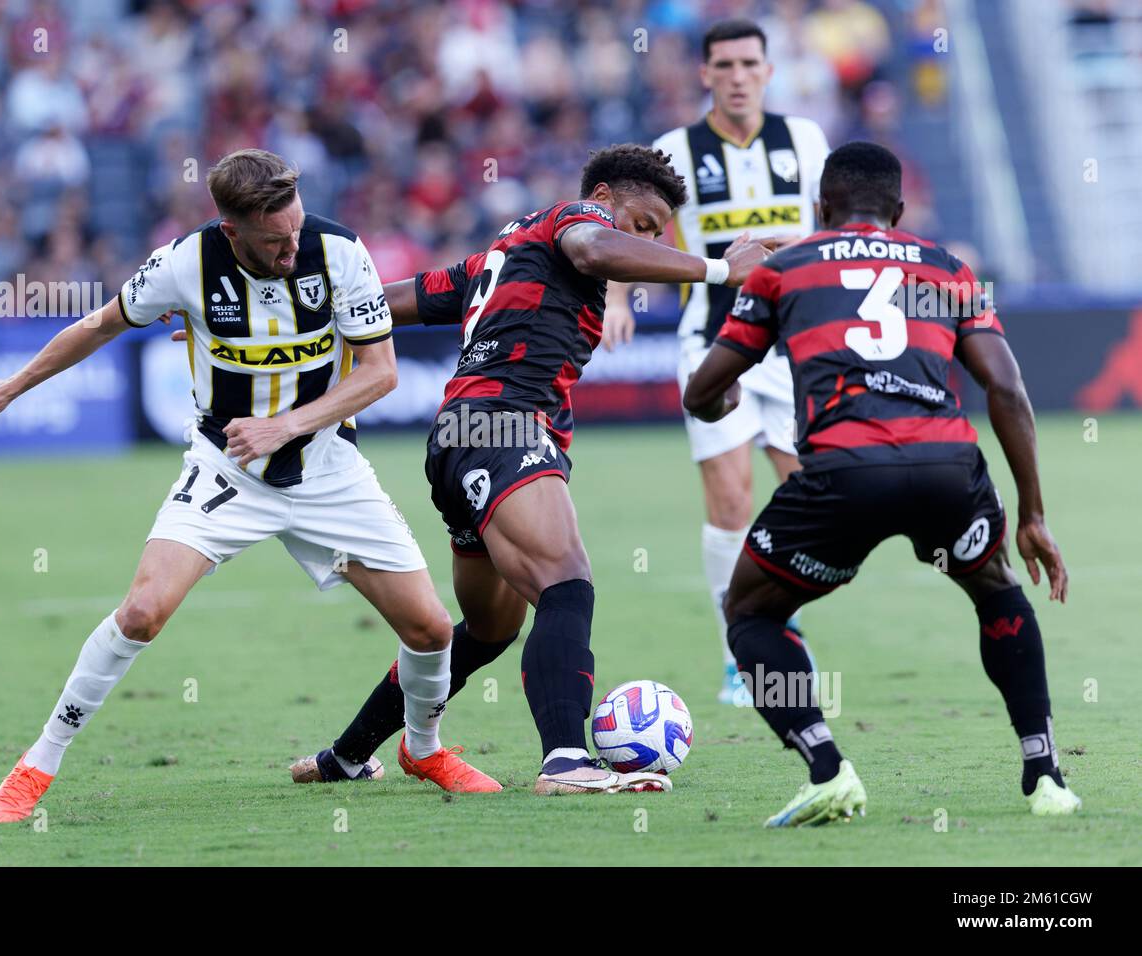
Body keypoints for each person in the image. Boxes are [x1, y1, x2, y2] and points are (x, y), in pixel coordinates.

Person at [0, 149, 498, 824]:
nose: (291, 248)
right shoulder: (185, 264)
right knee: (141, 612)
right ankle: (39, 760)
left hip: (327, 467)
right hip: (227, 469)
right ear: (232, 230)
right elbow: (100, 325)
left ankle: (423, 749)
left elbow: (380, 372)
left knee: (428, 628)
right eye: (275, 240)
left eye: (296, 230)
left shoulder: (339, 252)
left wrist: (285, 426)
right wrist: (9, 389)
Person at [287, 144, 776, 794]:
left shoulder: (505, 251)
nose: (649, 241)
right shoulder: (574, 223)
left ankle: (345, 757)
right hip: (503, 422)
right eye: (643, 224)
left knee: (492, 628)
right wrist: (717, 268)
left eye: (659, 234)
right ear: (602, 198)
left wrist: (287, 318)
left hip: (463, 434)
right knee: (566, 583)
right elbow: (594, 249)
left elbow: (396, 301)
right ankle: (567, 761)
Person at [682, 141, 1082, 825]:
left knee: (750, 611)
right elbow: (1008, 389)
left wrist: (715, 406)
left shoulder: (785, 271)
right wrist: (1033, 513)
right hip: (946, 468)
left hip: (844, 474)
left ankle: (826, 766)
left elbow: (705, 389)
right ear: (897, 212)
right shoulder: (949, 270)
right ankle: (1045, 775)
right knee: (996, 592)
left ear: (820, 207)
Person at [606, 19, 829, 704]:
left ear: (768, 70)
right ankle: (742, 650)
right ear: (704, 73)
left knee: (808, 499)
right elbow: (631, 228)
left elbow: (831, 227)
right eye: (724, 64)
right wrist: (617, 295)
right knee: (731, 500)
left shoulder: (805, 140)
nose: (737, 76)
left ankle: (776, 617)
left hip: (793, 346)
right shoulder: (676, 150)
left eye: (748, 63)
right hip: (714, 343)